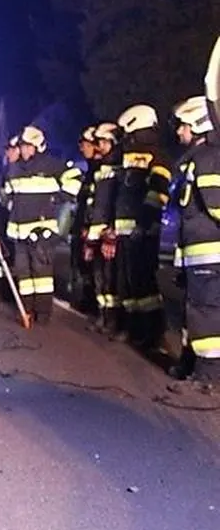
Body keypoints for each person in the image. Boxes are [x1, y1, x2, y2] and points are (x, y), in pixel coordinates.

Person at [167, 95, 220, 392]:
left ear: (198, 124)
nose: (179, 131)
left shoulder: (207, 158)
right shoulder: (197, 158)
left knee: (207, 312)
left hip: (209, 253)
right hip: (196, 252)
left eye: (183, 126)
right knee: (195, 310)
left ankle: (208, 374)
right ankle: (190, 363)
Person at [115, 103, 172, 349]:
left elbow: (157, 193)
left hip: (145, 230)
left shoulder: (157, 157)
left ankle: (153, 333)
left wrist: (144, 224)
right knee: (128, 283)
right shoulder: (128, 157)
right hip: (125, 229)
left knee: (145, 284)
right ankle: (134, 328)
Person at [2, 125, 71, 322]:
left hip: (41, 231)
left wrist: (59, 198)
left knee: (42, 275)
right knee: (23, 273)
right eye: (22, 147)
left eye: (27, 146)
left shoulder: (50, 165)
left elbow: (74, 177)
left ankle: (43, 313)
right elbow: (8, 193)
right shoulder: (15, 168)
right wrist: (9, 202)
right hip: (19, 232)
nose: (24, 150)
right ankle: (26, 310)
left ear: (37, 147)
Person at [83, 122, 123, 335]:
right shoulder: (100, 167)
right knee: (99, 276)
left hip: (108, 230)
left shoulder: (119, 166)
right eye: (99, 142)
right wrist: (87, 227)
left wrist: (112, 230)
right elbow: (93, 201)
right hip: (95, 229)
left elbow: (118, 201)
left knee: (110, 277)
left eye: (104, 142)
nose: (100, 146)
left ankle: (113, 320)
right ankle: (103, 315)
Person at [65, 125, 98, 311]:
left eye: (84, 144)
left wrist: (88, 226)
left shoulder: (99, 170)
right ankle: (86, 298)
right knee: (81, 265)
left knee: (92, 268)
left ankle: (91, 302)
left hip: (91, 229)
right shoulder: (89, 171)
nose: (81, 148)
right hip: (81, 226)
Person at [0, 136, 22, 283]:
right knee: (3, 246)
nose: (7, 153)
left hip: (16, 220)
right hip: (3, 218)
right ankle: (2, 278)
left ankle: (12, 277)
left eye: (11, 150)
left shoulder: (22, 171)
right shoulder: (6, 171)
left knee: (14, 250)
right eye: (7, 150)